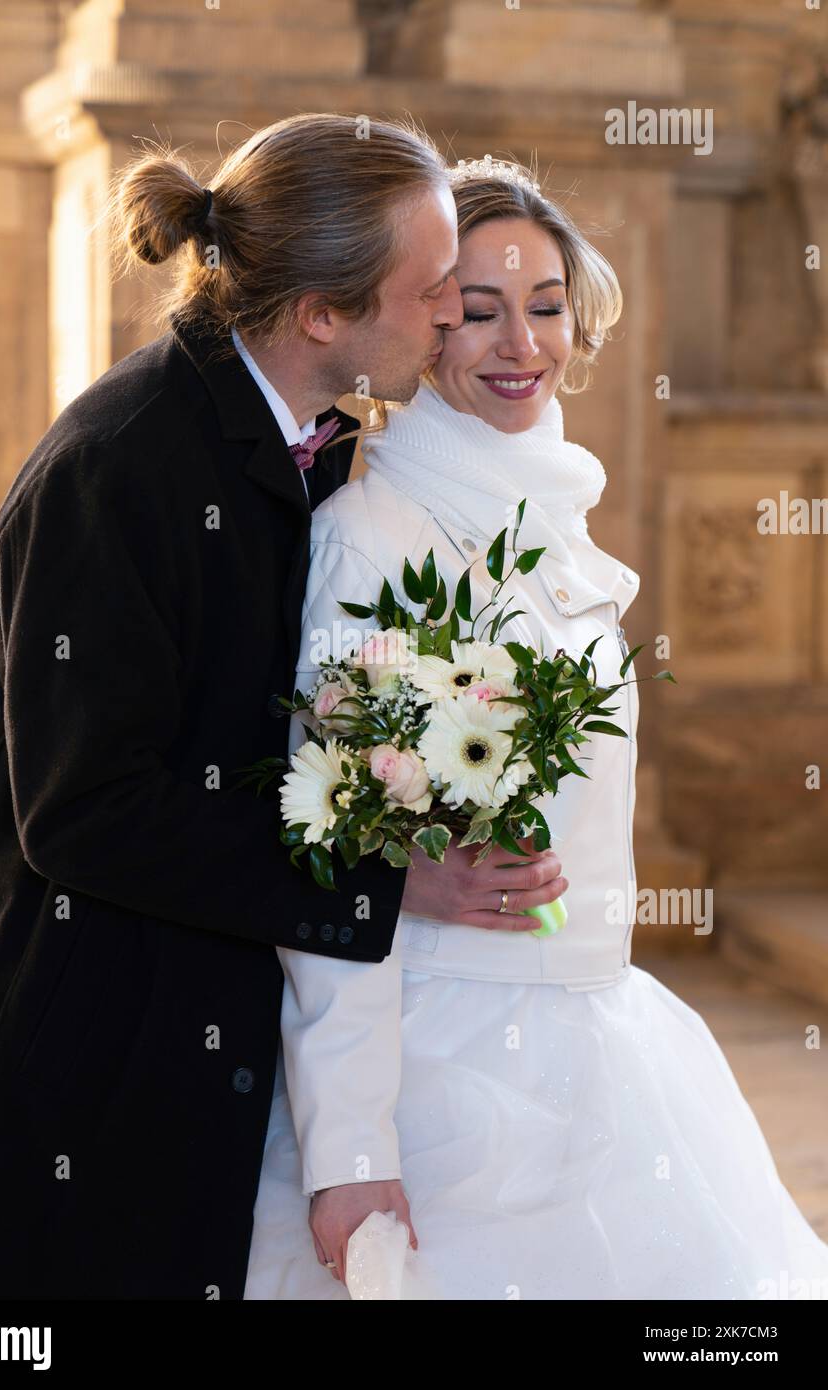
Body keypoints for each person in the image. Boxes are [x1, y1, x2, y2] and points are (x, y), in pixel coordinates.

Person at [0, 117, 566, 1301]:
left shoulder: (292, 437)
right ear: (322, 314)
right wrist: (389, 880)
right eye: (430, 295)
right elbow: (87, 810)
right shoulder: (120, 466)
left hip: (193, 1042)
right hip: (86, 1059)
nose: (453, 319)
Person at [243, 155, 828, 1300]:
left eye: (546, 306)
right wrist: (354, 1149)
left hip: (602, 1047)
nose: (521, 344)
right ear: (421, 328)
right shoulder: (372, 533)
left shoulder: (558, 521)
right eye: (476, 311)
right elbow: (335, 859)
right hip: (443, 1072)